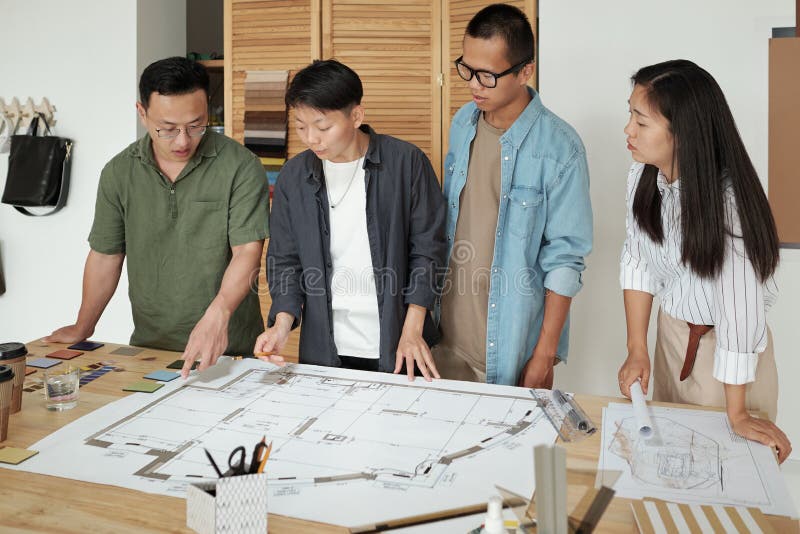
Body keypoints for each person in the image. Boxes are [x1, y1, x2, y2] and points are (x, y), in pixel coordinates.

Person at [45, 57, 269, 377]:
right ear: (142, 113)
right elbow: (106, 254)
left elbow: (248, 251)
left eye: (196, 125)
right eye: (167, 129)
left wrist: (218, 314)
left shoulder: (241, 167)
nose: (182, 140)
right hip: (150, 350)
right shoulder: (119, 172)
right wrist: (85, 324)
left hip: (230, 350)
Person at [617, 59, 791, 462]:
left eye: (641, 122)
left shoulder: (727, 205)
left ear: (683, 133)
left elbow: (739, 310)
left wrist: (738, 411)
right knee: (668, 463)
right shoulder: (642, 177)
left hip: (729, 356)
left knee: (724, 474)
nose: (628, 130)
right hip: (673, 339)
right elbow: (638, 260)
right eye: (631, 115)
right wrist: (636, 347)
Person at [253, 60, 446, 381]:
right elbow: (285, 260)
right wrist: (281, 325)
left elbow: (428, 250)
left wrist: (413, 329)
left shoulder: (406, 163)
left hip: (399, 344)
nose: (311, 138)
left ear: (356, 115)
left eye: (323, 126)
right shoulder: (294, 176)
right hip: (324, 349)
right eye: (301, 126)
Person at [435, 4, 593, 387]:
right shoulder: (462, 124)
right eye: (467, 69)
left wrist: (544, 354)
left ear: (526, 71)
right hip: (443, 337)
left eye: (487, 76)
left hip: (506, 349)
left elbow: (565, 260)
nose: (473, 85)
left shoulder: (561, 149)